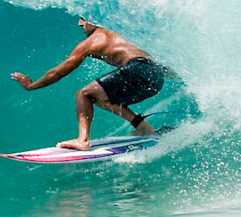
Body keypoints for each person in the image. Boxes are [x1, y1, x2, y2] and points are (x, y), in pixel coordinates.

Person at [11, 17, 165, 150]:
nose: (80, 24)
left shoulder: (92, 41)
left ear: (93, 21)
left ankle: (82, 140)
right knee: (105, 98)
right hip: (156, 76)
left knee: (83, 94)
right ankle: (143, 128)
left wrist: (32, 85)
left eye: (83, 20)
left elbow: (58, 72)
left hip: (137, 69)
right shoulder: (121, 33)